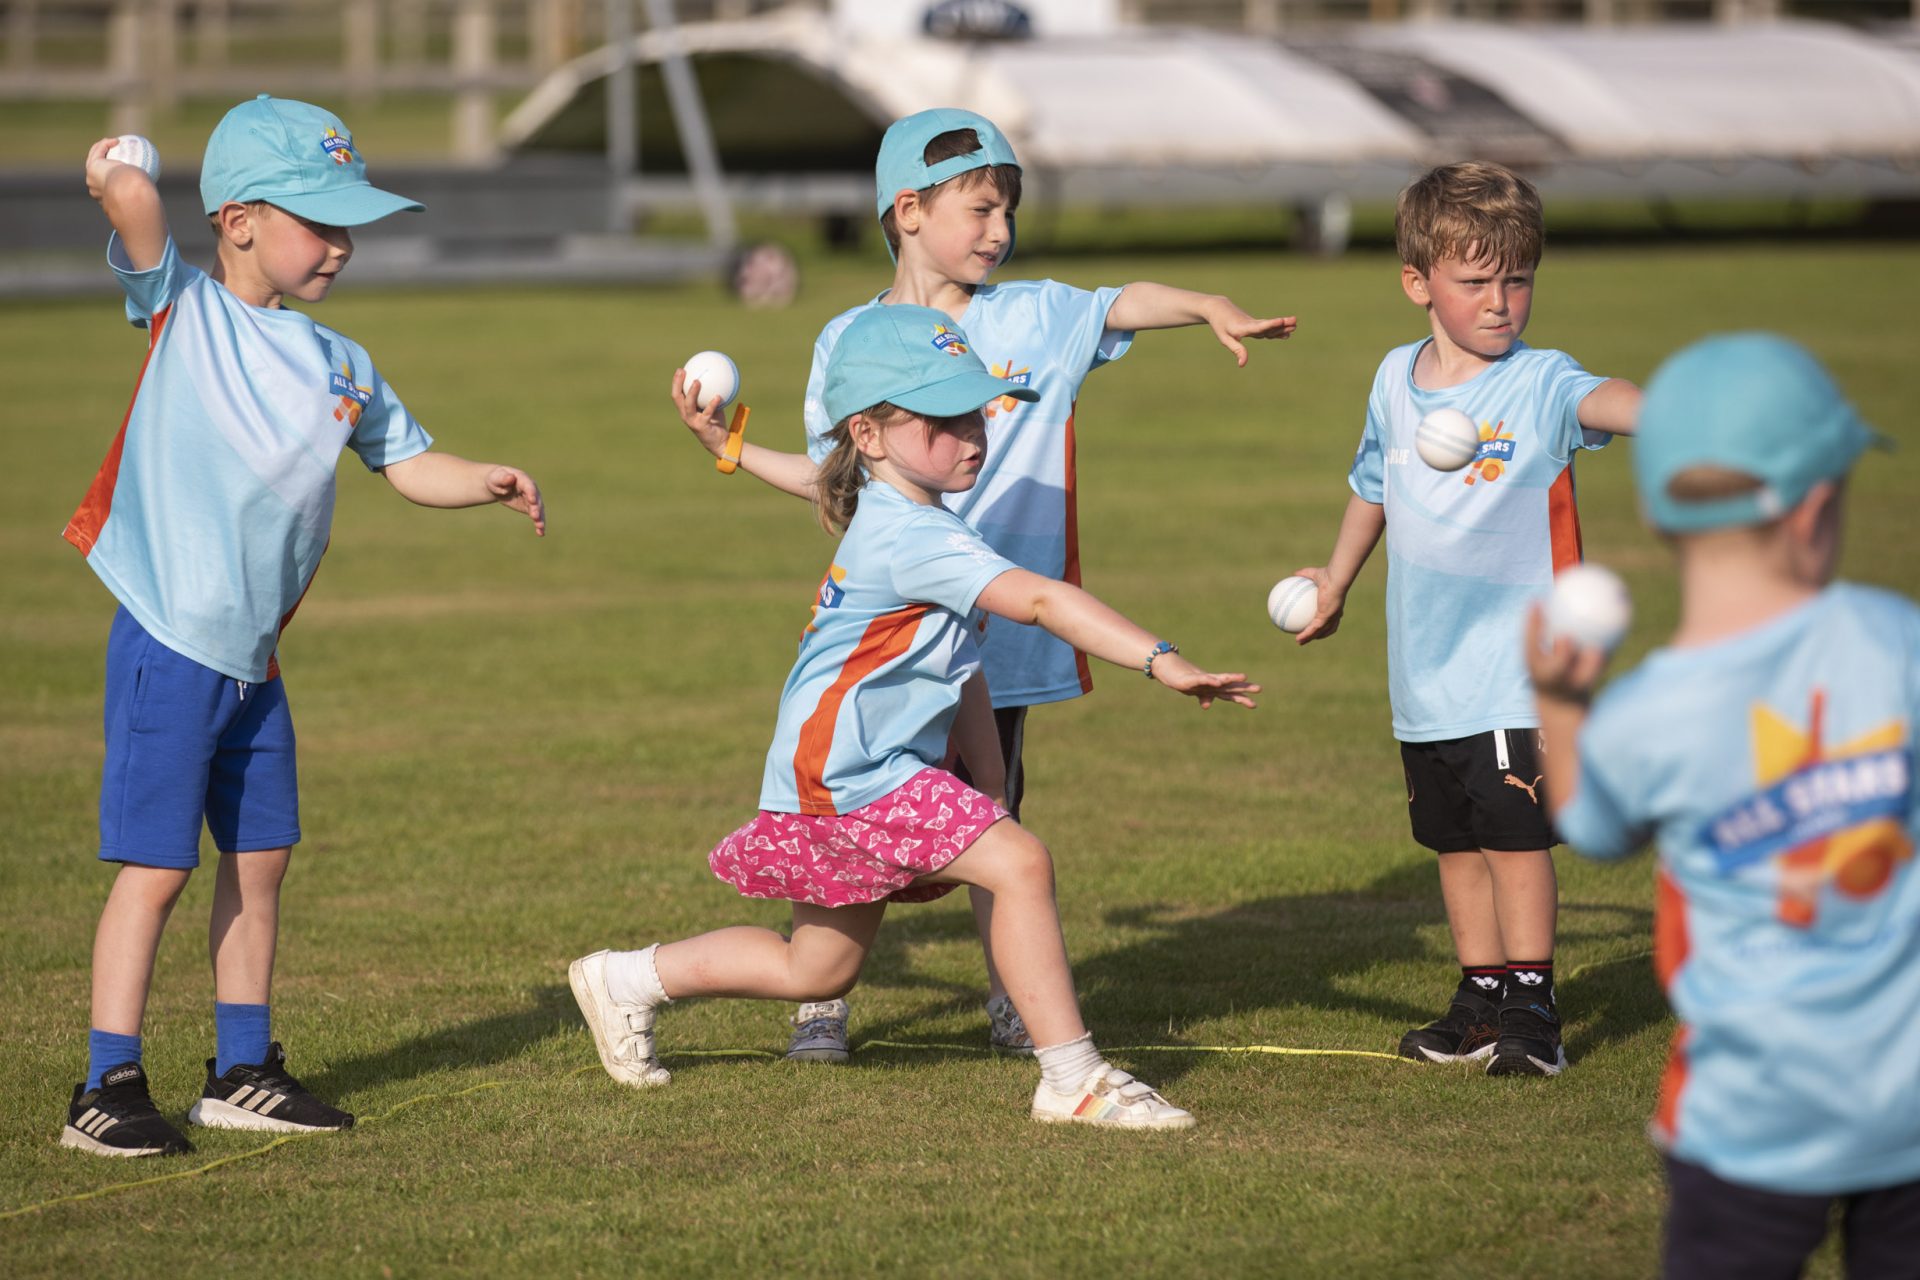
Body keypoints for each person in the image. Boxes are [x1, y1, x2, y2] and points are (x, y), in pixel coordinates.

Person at [671, 107, 1296, 1063]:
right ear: (908, 209)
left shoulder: (1034, 314)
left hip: (997, 641)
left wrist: (1205, 305)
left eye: (1007, 210)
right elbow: (834, 482)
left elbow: (1121, 301)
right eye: (980, 209)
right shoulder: (852, 338)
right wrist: (733, 451)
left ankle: (1014, 1000)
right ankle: (819, 1000)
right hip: (898, 637)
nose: (999, 231)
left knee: (992, 810)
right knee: (851, 810)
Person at [573, 303, 1257, 1129]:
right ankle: (1073, 1077)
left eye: (975, 411)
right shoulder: (916, 536)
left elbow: (959, 663)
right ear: (867, 434)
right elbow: (1040, 597)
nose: (971, 433)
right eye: (942, 419)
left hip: (846, 767)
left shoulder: (913, 516)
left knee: (814, 972)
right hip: (848, 772)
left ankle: (624, 979)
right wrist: (1161, 659)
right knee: (1020, 864)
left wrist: (990, 775)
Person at [61, 96, 546, 1158]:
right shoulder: (183, 309)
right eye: (317, 220)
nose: (341, 243)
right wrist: (117, 170)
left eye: (348, 224)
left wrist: (483, 479)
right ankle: (106, 1083)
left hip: (253, 658)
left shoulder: (342, 361)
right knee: (156, 867)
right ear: (237, 222)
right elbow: (140, 208)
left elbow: (405, 459)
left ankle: (242, 1069)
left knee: (261, 857)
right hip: (171, 638)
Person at [1529, 333, 1919, 1279]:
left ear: (1663, 515)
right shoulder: (1899, 641)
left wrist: (1561, 704)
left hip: (1746, 1120)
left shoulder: (1644, 715)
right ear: (1816, 506)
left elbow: (1588, 825)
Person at [1290, 161, 1639, 1077]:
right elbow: (1376, 485)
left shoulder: (1537, 383)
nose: (1499, 303)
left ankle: (1534, 1007)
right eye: (1475, 282)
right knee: (1452, 840)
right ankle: (1480, 997)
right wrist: (1334, 581)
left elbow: (1602, 400)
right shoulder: (1393, 380)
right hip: (1425, 667)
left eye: (1516, 279)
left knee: (1515, 841)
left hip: (1515, 670)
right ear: (1418, 284)